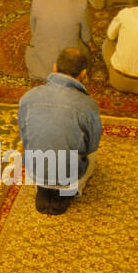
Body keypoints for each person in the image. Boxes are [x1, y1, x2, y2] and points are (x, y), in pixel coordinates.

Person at [18, 47, 102, 215]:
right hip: (70, 175)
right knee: (92, 156)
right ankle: (71, 189)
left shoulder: (28, 97)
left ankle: (44, 186)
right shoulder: (88, 105)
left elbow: (25, 136)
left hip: (36, 170)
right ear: (83, 74)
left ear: (55, 67)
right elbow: (92, 147)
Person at [24, 0, 91, 80]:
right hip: (71, 68)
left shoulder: (37, 0)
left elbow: (34, 30)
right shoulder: (81, 4)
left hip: (41, 67)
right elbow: (86, 37)